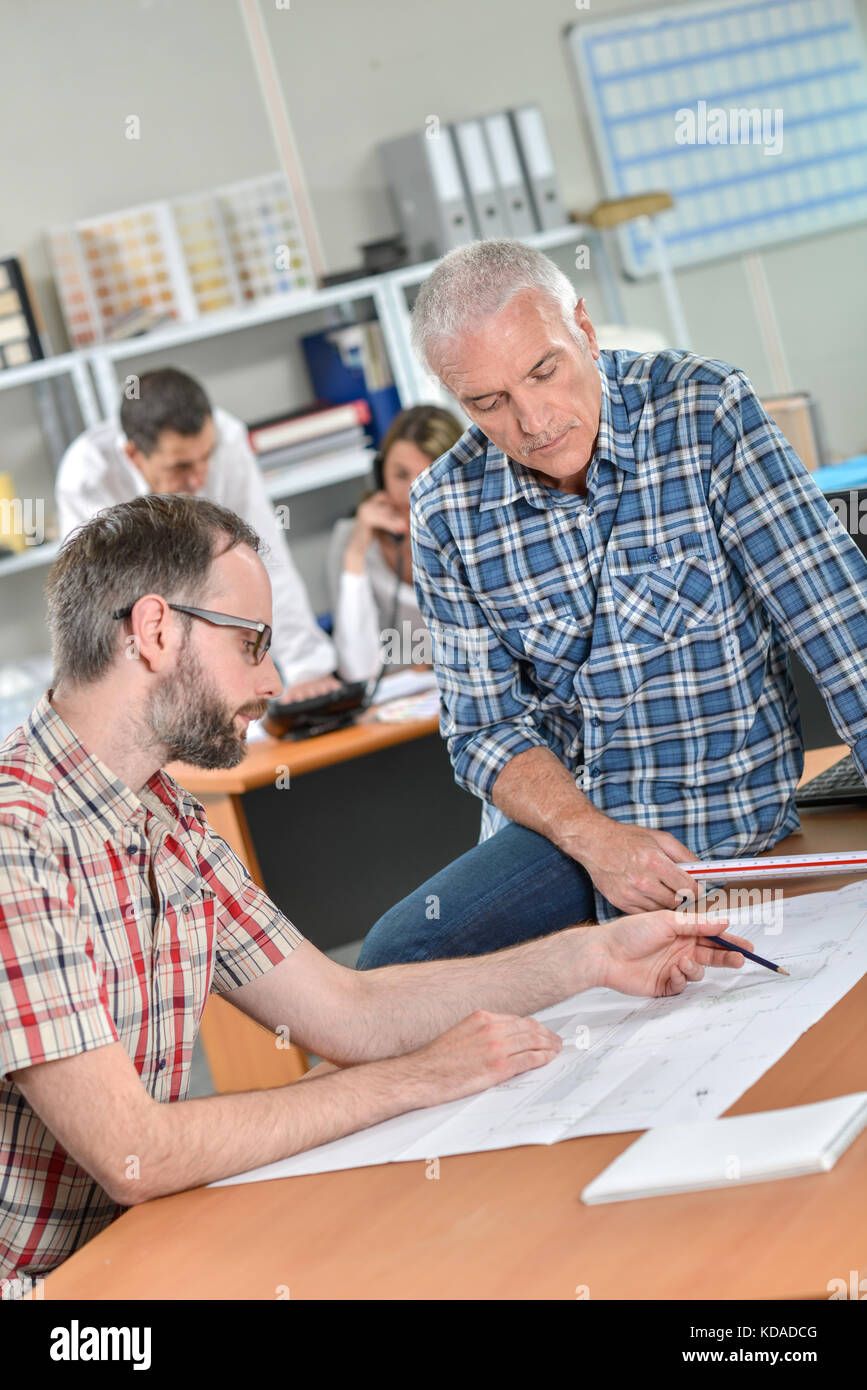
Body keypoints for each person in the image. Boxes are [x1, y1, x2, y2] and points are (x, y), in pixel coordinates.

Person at [0, 493, 748, 1285]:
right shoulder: (18, 840)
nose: (274, 677)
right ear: (155, 631)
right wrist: (415, 1078)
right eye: (252, 643)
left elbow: (346, 1013)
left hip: (128, 1253)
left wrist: (593, 956)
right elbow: (135, 1152)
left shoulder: (168, 822)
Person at [355, 236, 867, 969]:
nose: (532, 421)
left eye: (544, 370)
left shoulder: (703, 412)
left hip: (711, 826)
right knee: (395, 957)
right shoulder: (443, 507)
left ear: (584, 330)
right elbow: (482, 731)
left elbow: (840, 628)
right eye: (487, 402)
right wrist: (594, 841)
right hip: (561, 842)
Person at [55, 366, 338, 702]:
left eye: (206, 458)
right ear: (133, 455)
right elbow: (103, 604)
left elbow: (265, 556)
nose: (199, 479)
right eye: (181, 467)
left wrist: (309, 668)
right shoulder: (87, 475)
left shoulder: (228, 438)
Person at [327, 405, 464, 681]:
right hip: (399, 715)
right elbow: (356, 671)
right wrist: (355, 555)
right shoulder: (351, 538)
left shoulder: (479, 534)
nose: (412, 491)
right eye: (401, 475)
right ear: (380, 475)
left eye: (428, 475)